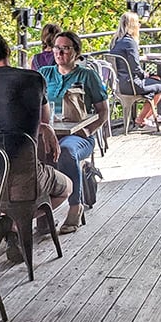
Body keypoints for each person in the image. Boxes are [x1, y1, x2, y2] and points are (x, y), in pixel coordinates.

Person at [0, 31, 72, 256]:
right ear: (8, 51)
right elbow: (45, 118)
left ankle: (6, 223)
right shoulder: (34, 79)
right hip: (25, 181)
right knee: (67, 187)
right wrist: (45, 127)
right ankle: (15, 225)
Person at [39, 31, 109, 233]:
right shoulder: (44, 74)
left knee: (67, 152)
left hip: (78, 136)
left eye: (65, 48)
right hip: (50, 134)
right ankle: (42, 211)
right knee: (32, 153)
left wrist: (89, 129)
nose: (60, 52)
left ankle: (75, 206)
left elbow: (103, 111)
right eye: (57, 48)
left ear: (76, 52)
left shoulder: (87, 75)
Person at [109, 11, 161, 129]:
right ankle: (142, 118)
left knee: (154, 83)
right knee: (160, 86)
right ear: (133, 25)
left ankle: (147, 116)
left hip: (117, 84)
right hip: (131, 85)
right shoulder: (130, 42)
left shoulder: (115, 41)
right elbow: (135, 68)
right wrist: (147, 74)